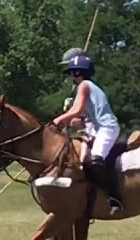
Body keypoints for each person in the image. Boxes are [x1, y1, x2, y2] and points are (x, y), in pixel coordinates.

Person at [52, 52, 124, 213]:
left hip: (107, 127)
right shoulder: (85, 87)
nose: (70, 75)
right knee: (82, 160)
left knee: (95, 161)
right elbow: (82, 115)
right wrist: (74, 119)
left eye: (71, 72)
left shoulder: (84, 86)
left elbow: (77, 110)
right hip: (97, 128)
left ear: (78, 72)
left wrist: (61, 118)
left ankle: (115, 197)